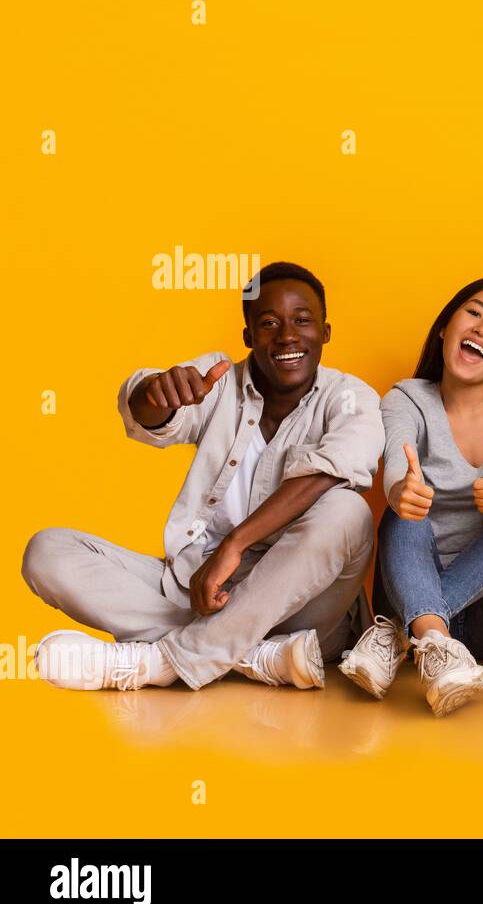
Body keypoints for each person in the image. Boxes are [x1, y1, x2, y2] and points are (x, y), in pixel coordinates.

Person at [23, 262, 383, 691]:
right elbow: (150, 413)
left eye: (302, 320)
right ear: (249, 337)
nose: (287, 335)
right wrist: (156, 392)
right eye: (269, 323)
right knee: (48, 551)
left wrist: (235, 544)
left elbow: (334, 469)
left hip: (301, 609)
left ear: (325, 331)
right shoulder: (219, 378)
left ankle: (163, 659)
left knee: (349, 511)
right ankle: (252, 656)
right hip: (195, 587)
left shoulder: (351, 398)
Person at [338, 277, 483, 716]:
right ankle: (433, 635)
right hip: (409, 586)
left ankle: (406, 635)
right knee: (402, 514)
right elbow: (398, 469)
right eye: (474, 313)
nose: (482, 329)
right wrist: (403, 490)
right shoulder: (405, 398)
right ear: (446, 327)